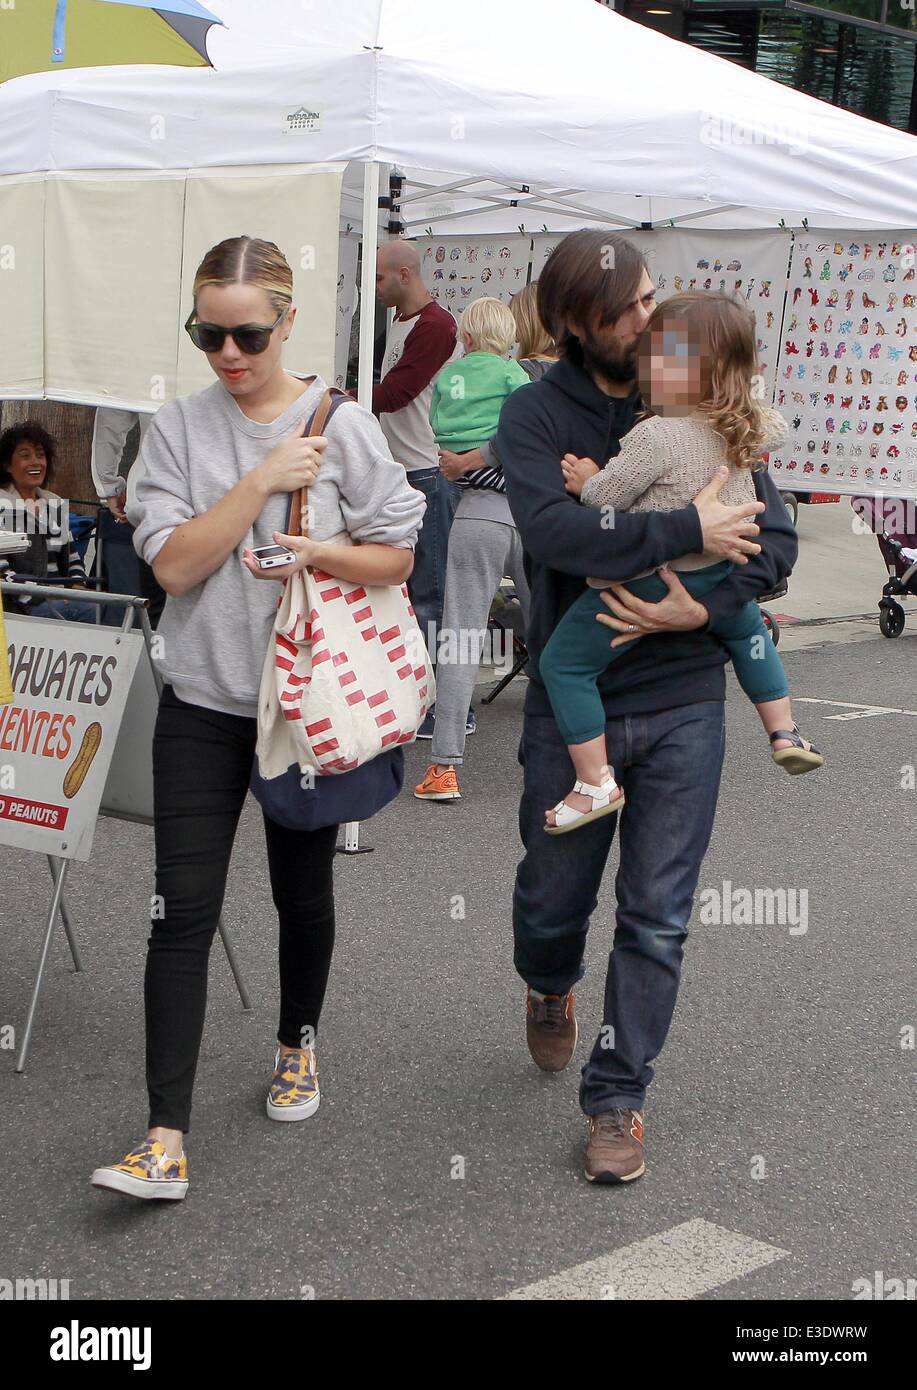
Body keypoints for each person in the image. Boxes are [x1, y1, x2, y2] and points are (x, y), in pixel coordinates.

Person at [90, 235, 425, 1201]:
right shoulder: (179, 427)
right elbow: (175, 567)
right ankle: (163, 1138)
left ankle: (296, 1047)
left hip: (301, 708)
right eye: (208, 334)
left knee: (299, 893)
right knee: (178, 915)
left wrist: (316, 554)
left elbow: (398, 557)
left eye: (246, 334)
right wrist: (262, 481)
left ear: (286, 321)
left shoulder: (345, 426)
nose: (228, 354)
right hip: (200, 703)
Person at [495, 230, 798, 1185]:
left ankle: (617, 1097)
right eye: (623, 313)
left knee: (657, 916)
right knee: (553, 899)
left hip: (680, 704)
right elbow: (552, 531)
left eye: (651, 302)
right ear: (578, 326)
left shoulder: (707, 398)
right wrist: (684, 528)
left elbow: (776, 548)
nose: (646, 323)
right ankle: (550, 982)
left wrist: (696, 605)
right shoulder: (537, 415)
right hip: (571, 697)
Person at [542, 291, 822, 834]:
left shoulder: (654, 433)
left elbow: (606, 497)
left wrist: (585, 479)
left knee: (564, 666)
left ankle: (594, 783)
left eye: (656, 356)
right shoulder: (744, 429)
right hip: (719, 575)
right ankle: (785, 731)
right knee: (750, 637)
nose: (644, 366)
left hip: (650, 578)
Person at [415, 289, 549, 801]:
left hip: (478, 515)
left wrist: (467, 456)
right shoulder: (522, 378)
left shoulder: (451, 377)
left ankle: (444, 766)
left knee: (460, 639)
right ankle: (568, 755)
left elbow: (436, 424)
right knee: (550, 638)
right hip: (535, 517)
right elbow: (527, 430)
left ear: (466, 336)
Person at [373, 239, 458, 665]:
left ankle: (442, 703)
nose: (375, 286)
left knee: (430, 592)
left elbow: (395, 393)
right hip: (401, 469)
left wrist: (340, 396)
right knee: (408, 590)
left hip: (425, 471)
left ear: (404, 274)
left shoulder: (436, 326)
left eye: (380, 277)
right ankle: (417, 694)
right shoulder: (401, 318)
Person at [0, 421, 95, 622]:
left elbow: (74, 561)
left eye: (40, 455)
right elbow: (2, 572)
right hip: (18, 610)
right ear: (7, 465)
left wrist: (78, 589)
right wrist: (43, 600)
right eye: (25, 456)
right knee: (92, 612)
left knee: (108, 609)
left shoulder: (54, 503)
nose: (36, 462)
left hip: (62, 602)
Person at [91, 407, 166, 627]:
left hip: (151, 496)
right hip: (220, 499)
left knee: (156, 611)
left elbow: (112, 413)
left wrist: (109, 486)